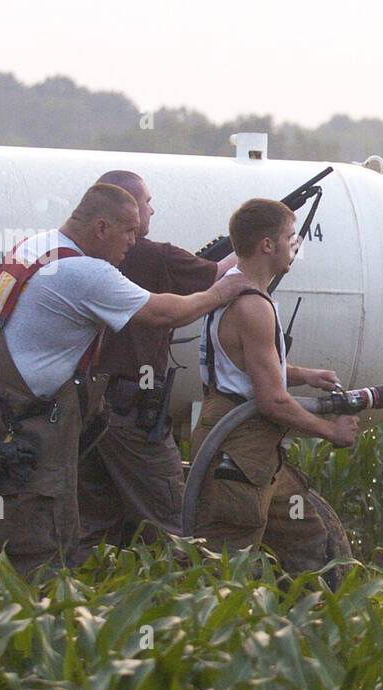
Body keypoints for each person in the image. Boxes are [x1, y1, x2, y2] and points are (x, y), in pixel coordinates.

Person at [0, 182, 240, 576]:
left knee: (10, 536)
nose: (135, 242)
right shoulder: (84, 273)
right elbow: (163, 313)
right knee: (35, 548)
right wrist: (224, 290)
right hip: (23, 427)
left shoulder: (35, 247)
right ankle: (27, 630)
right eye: (129, 232)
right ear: (102, 227)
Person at [191, 198, 359, 585]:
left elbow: (241, 364)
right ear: (267, 245)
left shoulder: (233, 289)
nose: (294, 245)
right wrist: (330, 431)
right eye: (289, 237)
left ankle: (311, 630)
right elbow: (271, 400)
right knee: (225, 566)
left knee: (311, 541)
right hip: (239, 451)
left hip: (253, 451)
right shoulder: (253, 306)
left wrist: (302, 374)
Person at [75, 171, 235, 559]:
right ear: (126, 204)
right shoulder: (154, 254)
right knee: (174, 523)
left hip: (89, 409)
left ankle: (82, 606)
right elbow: (219, 275)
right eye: (146, 202)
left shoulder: (85, 255)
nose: (151, 209)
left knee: (95, 526)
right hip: (133, 415)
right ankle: (185, 610)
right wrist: (253, 246)